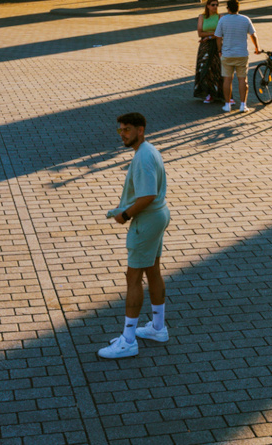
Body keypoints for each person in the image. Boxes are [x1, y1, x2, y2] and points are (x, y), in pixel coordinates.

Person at [99, 111, 170, 358]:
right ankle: (158, 328)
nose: (122, 134)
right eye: (120, 130)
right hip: (159, 215)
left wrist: (125, 215)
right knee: (153, 270)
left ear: (140, 130)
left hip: (147, 221)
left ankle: (128, 340)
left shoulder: (143, 158)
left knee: (133, 277)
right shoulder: (149, 150)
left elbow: (147, 195)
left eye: (127, 129)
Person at [214, 0, 259, 111]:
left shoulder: (223, 20)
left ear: (228, 8)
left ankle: (227, 105)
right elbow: (253, 35)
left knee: (227, 80)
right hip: (242, 54)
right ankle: (243, 105)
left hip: (227, 54)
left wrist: (219, 50)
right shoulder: (245, 19)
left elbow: (218, 37)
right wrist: (257, 47)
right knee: (242, 80)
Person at [192, 0, 222, 105]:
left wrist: (209, 36)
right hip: (205, 46)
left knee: (215, 68)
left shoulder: (220, 17)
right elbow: (200, 33)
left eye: (217, 5)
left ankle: (216, 93)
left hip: (217, 44)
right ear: (208, 6)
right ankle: (206, 93)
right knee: (204, 68)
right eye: (213, 5)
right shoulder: (202, 16)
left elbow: (221, 32)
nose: (215, 7)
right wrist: (213, 33)